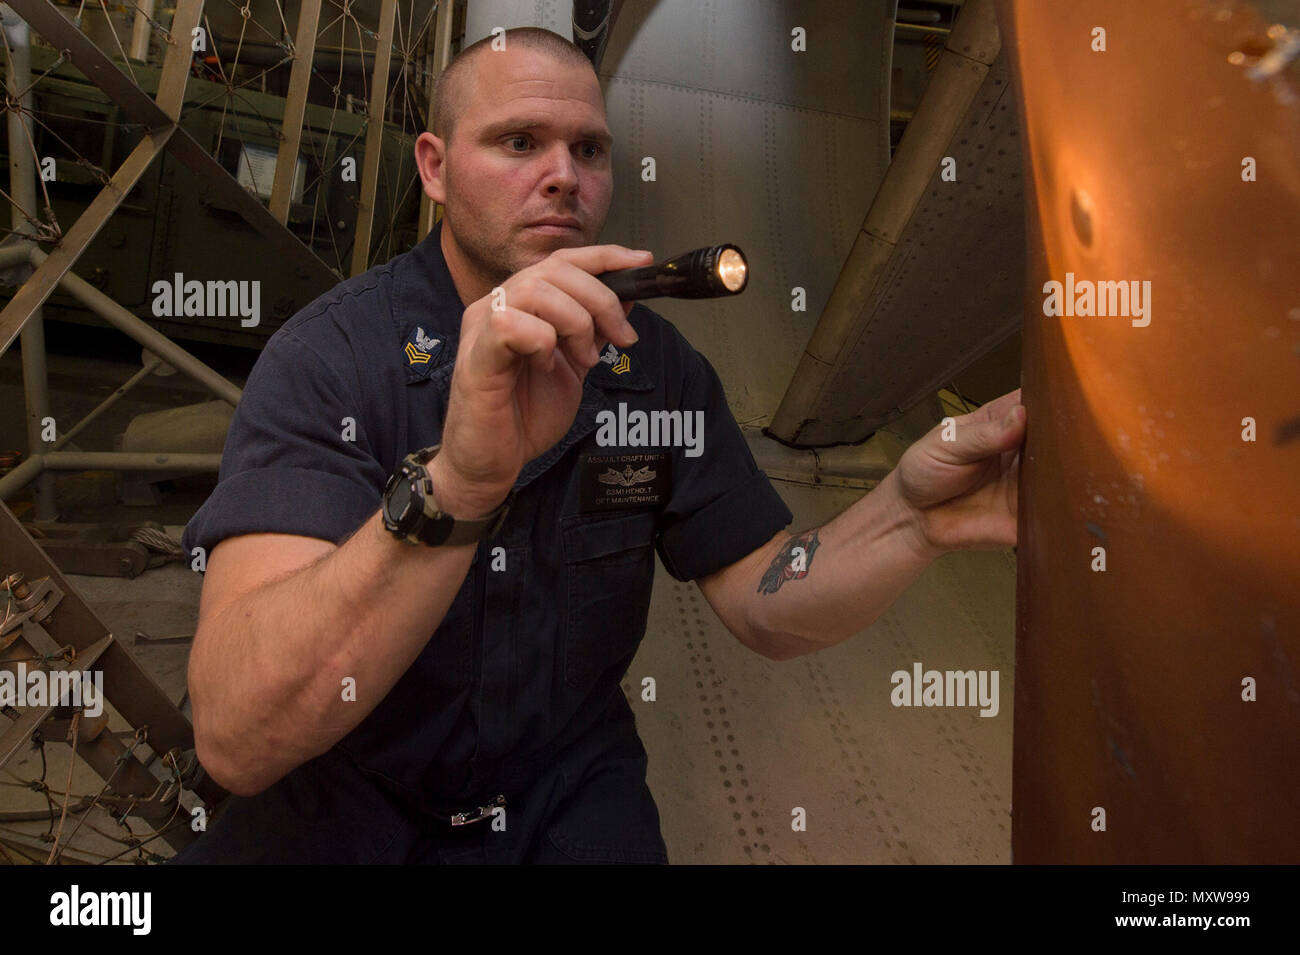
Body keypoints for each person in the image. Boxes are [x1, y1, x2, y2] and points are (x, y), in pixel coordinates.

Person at [171, 27, 1026, 864]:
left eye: (590, 149)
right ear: (434, 167)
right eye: (518, 143)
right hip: (349, 794)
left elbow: (766, 599)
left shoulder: (656, 369)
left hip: (564, 791)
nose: (563, 177)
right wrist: (460, 483)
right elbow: (238, 736)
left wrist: (911, 518)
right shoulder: (331, 359)